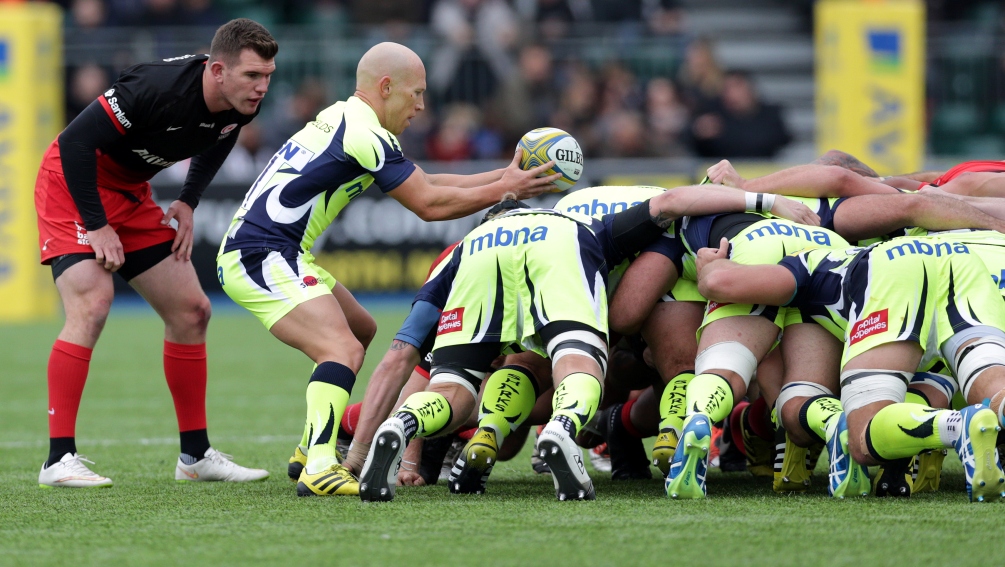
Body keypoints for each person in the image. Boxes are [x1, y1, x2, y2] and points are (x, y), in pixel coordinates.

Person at [216, 41, 561, 497]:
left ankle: (308, 448)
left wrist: (506, 180)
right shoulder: (366, 134)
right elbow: (429, 204)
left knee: (360, 329)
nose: (421, 106)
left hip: (278, 251)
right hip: (261, 253)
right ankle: (320, 464)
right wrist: (505, 190)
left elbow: (429, 181)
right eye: (415, 93)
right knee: (340, 348)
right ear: (386, 87)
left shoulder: (350, 119)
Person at [356, 184, 819, 502]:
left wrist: (369, 454)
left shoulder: (461, 249)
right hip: (574, 253)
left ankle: (407, 424)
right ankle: (568, 428)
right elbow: (672, 203)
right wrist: (768, 198)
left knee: (455, 388)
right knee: (591, 364)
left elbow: (402, 356)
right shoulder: (577, 222)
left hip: (484, 266)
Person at [36, 19, 278, 488]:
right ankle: (58, 460)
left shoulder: (242, 101)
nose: (262, 87)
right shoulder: (154, 87)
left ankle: (195, 457)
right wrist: (98, 226)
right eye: (253, 75)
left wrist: (188, 199)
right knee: (93, 303)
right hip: (72, 185)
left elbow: (222, 135)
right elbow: (74, 143)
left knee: (192, 312)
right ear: (218, 70)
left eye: (267, 76)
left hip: (129, 191)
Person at [696, 234, 1005, 502]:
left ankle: (958, 426)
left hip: (895, 270)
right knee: (995, 391)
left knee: (863, 438)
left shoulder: (804, 262)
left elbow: (718, 283)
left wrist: (710, 266)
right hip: (964, 262)